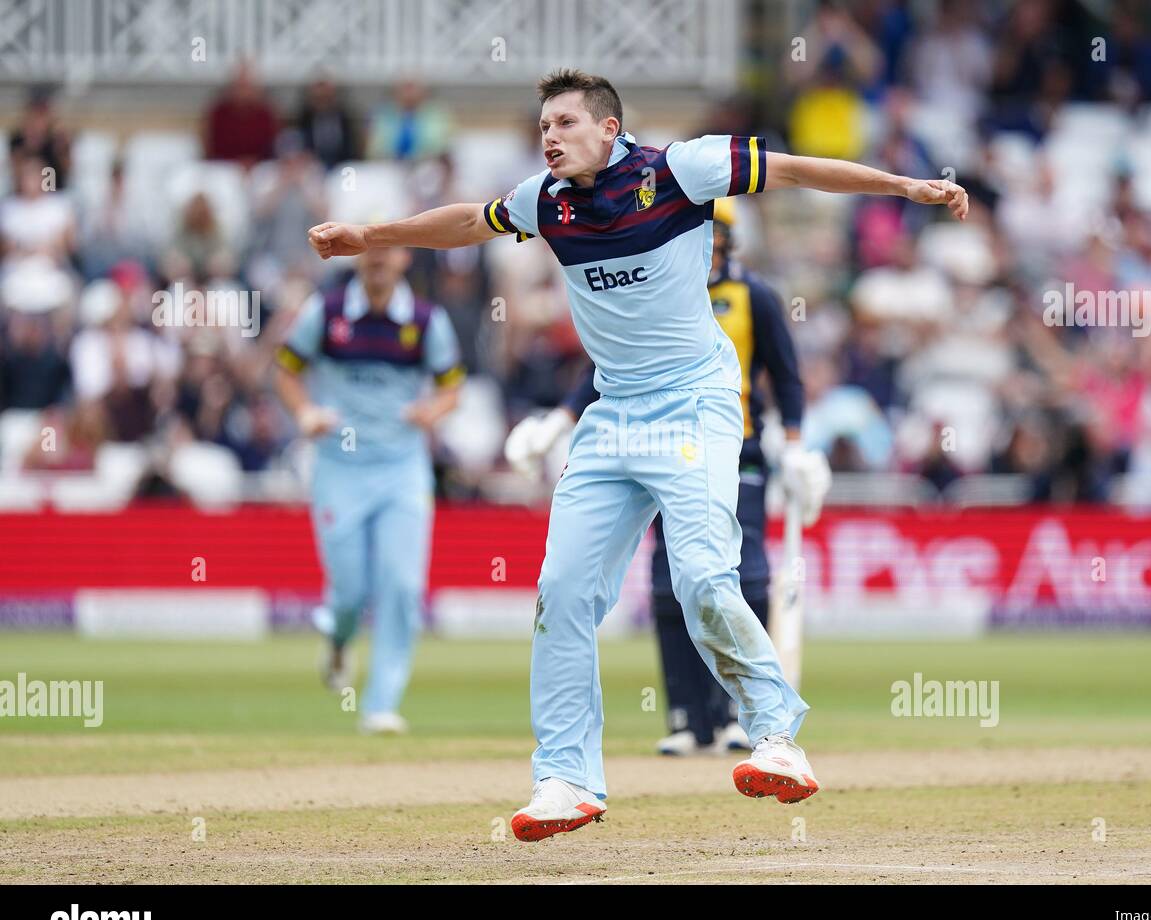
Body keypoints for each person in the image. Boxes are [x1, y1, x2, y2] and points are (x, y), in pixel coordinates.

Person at [306, 69, 968, 841]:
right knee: (561, 593)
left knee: (701, 578)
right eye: (542, 124)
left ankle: (777, 737)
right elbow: (465, 224)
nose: (548, 135)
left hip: (695, 402)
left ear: (609, 128)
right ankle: (565, 780)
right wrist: (372, 237)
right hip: (612, 413)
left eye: (564, 122)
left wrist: (906, 187)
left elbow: (790, 168)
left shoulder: (679, 170)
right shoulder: (544, 202)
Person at [504, 195, 830, 756]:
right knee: (667, 584)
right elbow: (607, 366)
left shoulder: (754, 296)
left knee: (731, 575)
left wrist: (796, 444)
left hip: (734, 444)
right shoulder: (657, 288)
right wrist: (557, 422)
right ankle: (687, 718)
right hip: (650, 443)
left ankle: (739, 717)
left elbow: (787, 376)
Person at [273, 245, 464, 735]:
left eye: (387, 249)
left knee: (402, 586)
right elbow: (286, 368)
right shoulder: (328, 311)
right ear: (356, 258)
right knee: (350, 591)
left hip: (402, 468)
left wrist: (432, 412)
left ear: (403, 258)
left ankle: (381, 704)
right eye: (368, 249)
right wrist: (305, 413)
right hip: (340, 467)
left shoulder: (424, 319)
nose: (377, 259)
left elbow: (451, 386)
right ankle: (337, 639)